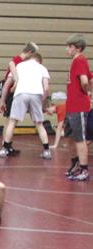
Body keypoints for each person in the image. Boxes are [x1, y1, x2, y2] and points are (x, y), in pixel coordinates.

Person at [0, 53, 51, 159]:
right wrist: (42, 104)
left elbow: (7, 84)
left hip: (21, 93)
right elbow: (46, 88)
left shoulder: (19, 66)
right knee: (39, 124)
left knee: (12, 122)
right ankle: (47, 151)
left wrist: (2, 101)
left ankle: (4, 149)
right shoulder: (42, 68)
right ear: (39, 61)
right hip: (36, 94)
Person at [63, 34, 90, 181]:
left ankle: (84, 169)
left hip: (78, 105)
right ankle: (75, 164)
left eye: (70, 47)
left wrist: (87, 93)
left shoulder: (80, 60)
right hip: (71, 105)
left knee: (79, 138)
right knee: (69, 137)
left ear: (77, 48)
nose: (67, 49)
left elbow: (85, 81)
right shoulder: (76, 61)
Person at [0, 42, 39, 121]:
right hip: (11, 93)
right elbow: (6, 84)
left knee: (12, 120)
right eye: (33, 55)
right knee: (10, 120)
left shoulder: (21, 62)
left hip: (15, 92)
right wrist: (2, 101)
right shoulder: (17, 61)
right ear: (30, 52)